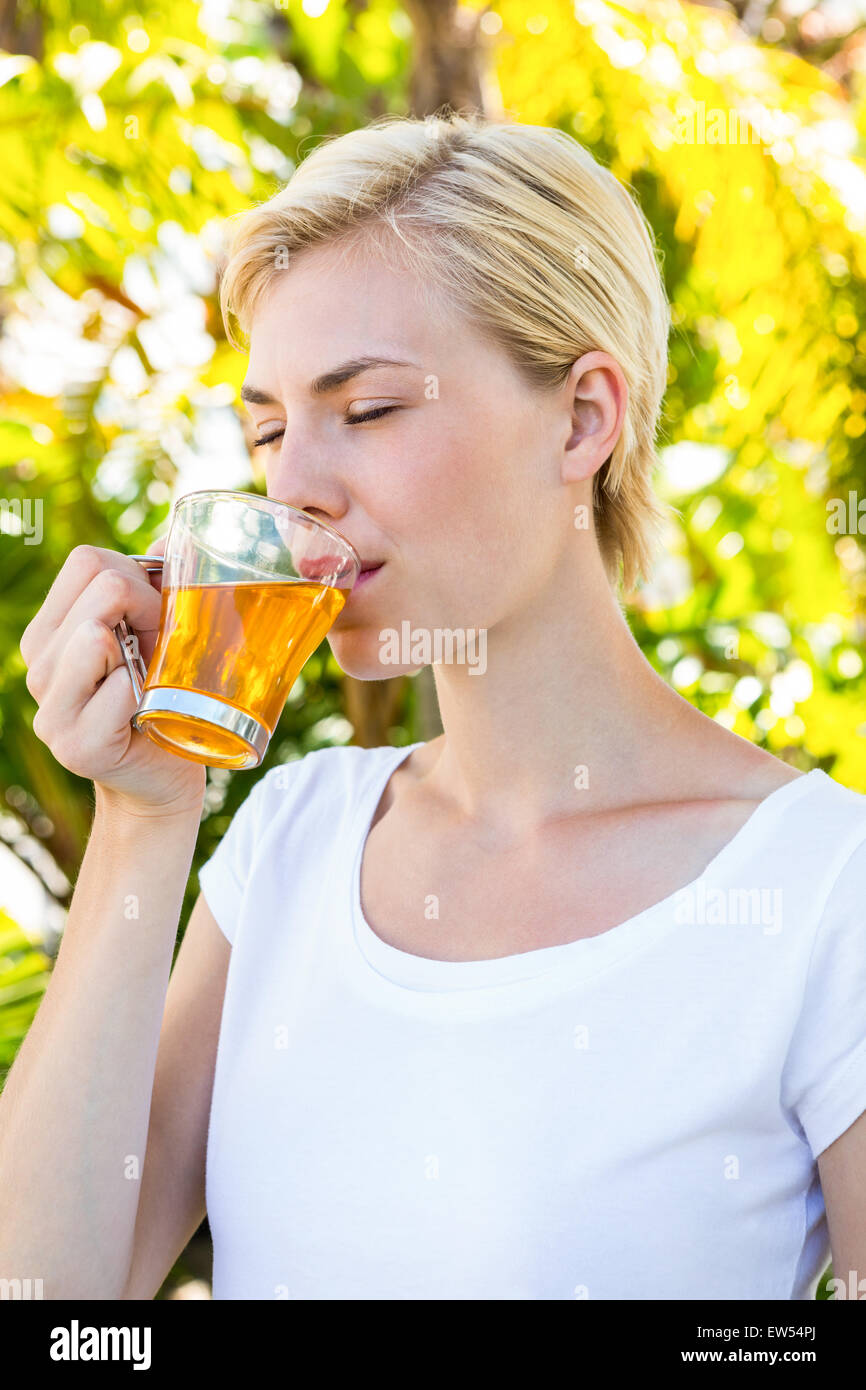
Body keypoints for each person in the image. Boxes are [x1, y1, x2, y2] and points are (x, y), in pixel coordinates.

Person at [2, 111, 865, 1301]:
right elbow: (48, 1304)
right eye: (267, 428)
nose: (293, 485)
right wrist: (144, 818)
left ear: (581, 419)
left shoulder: (821, 890)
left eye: (365, 412)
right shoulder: (289, 843)